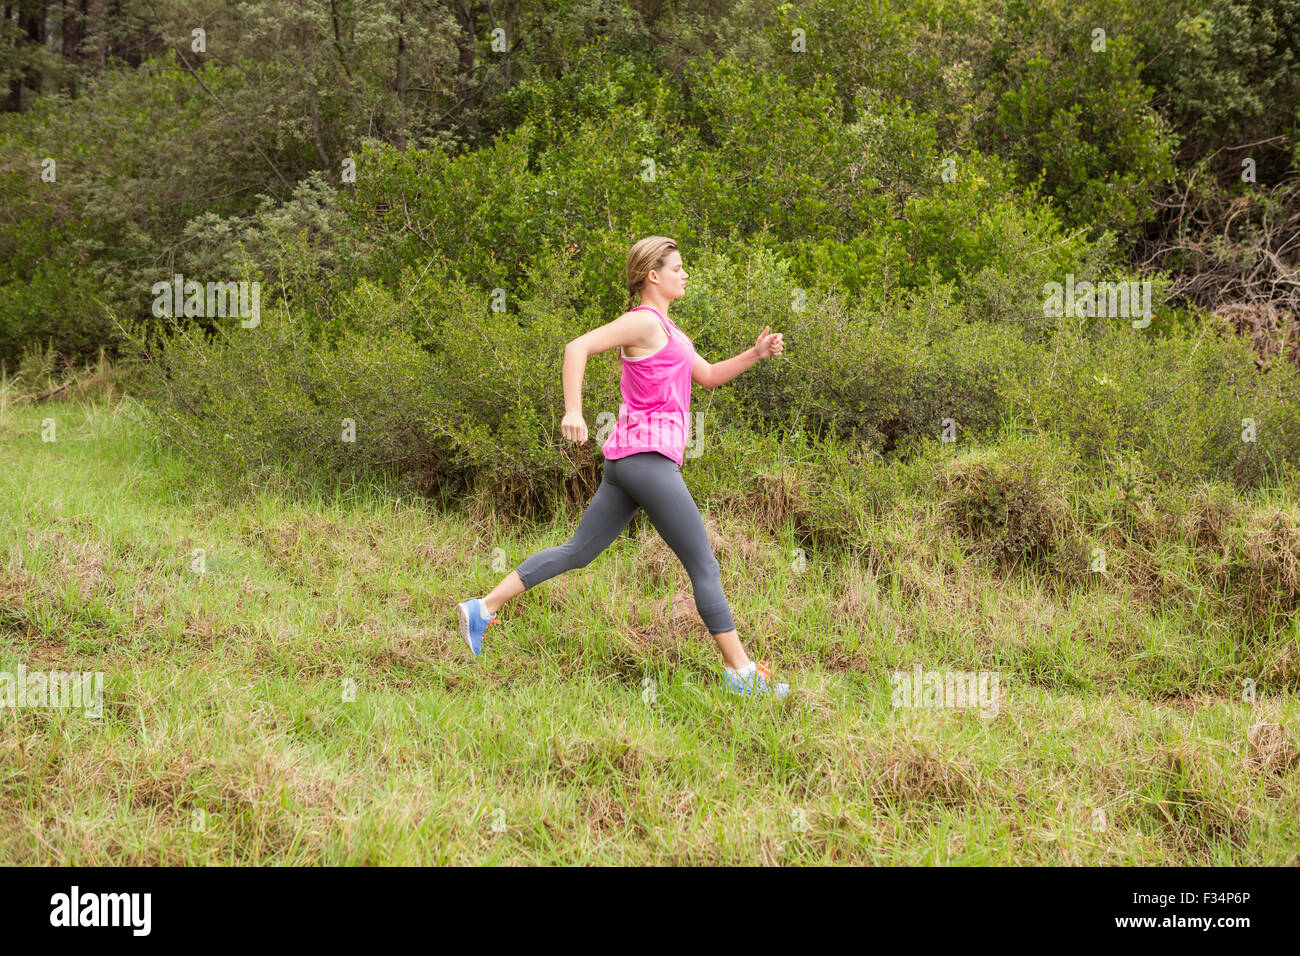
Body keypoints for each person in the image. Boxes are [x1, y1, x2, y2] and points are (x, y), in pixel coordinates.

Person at [457, 236, 790, 697]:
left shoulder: (672, 333)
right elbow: (577, 348)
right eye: (677, 268)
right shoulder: (642, 324)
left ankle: (482, 608)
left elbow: (708, 375)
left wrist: (754, 353)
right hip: (647, 460)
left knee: (577, 552)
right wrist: (572, 411)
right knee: (704, 565)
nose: (685, 274)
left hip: (627, 462)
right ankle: (741, 673)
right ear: (653, 275)